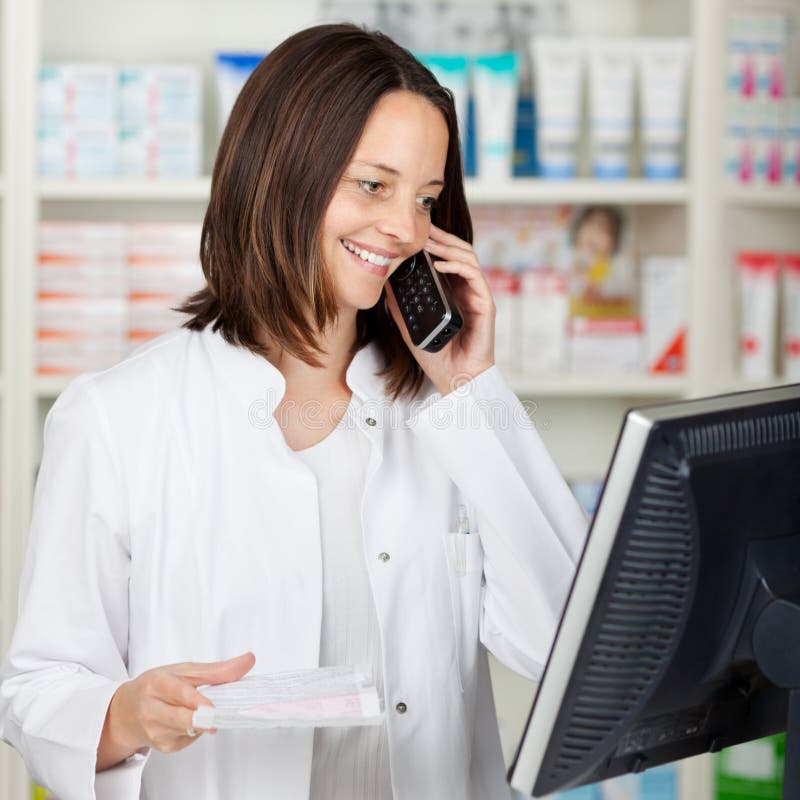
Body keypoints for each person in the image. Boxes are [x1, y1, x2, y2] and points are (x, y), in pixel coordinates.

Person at [0, 23, 587, 800]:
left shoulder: (447, 414)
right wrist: (128, 714)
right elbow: (39, 691)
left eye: (426, 199)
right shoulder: (117, 417)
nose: (404, 229)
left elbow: (570, 648)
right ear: (282, 175)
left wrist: (472, 389)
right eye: (373, 186)